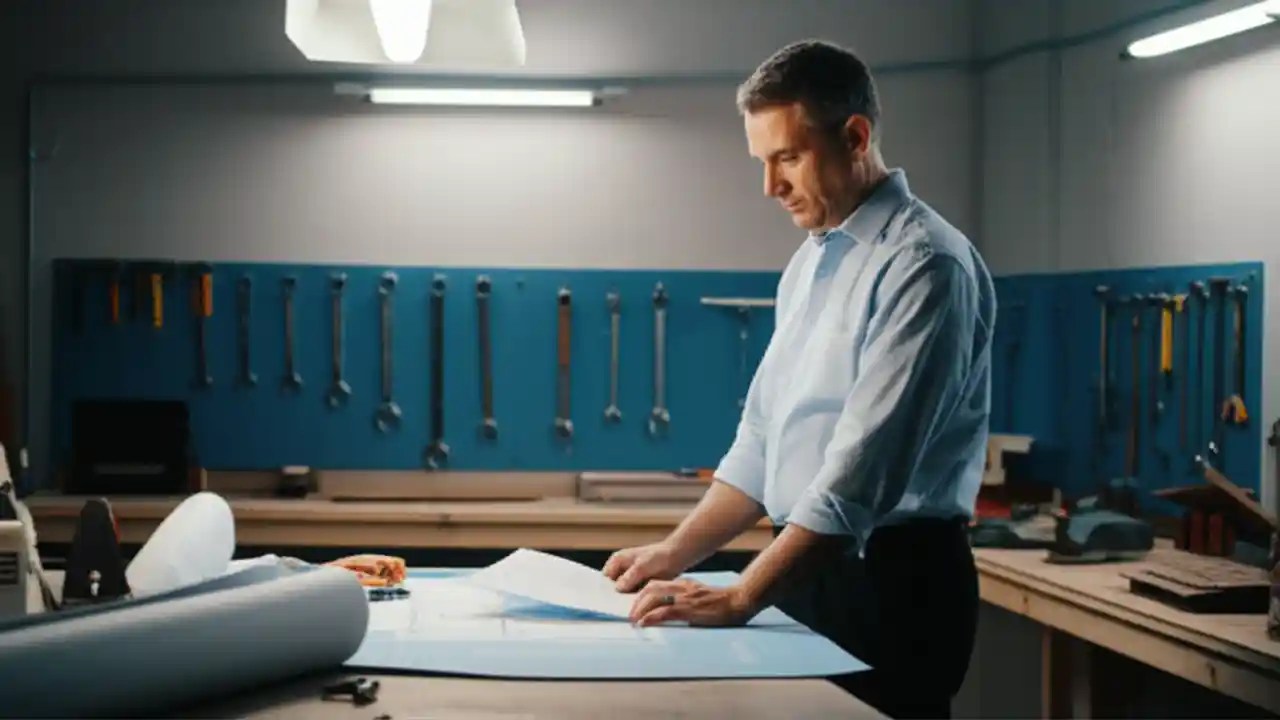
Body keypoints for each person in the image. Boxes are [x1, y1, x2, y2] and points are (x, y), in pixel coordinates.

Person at [602, 39, 995, 719]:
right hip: (807, 571)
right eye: (762, 162)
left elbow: (860, 476)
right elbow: (761, 443)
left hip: (893, 585)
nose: (770, 186)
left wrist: (742, 595)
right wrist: (673, 553)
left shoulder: (927, 266)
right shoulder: (810, 263)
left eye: (787, 157)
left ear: (855, 136)